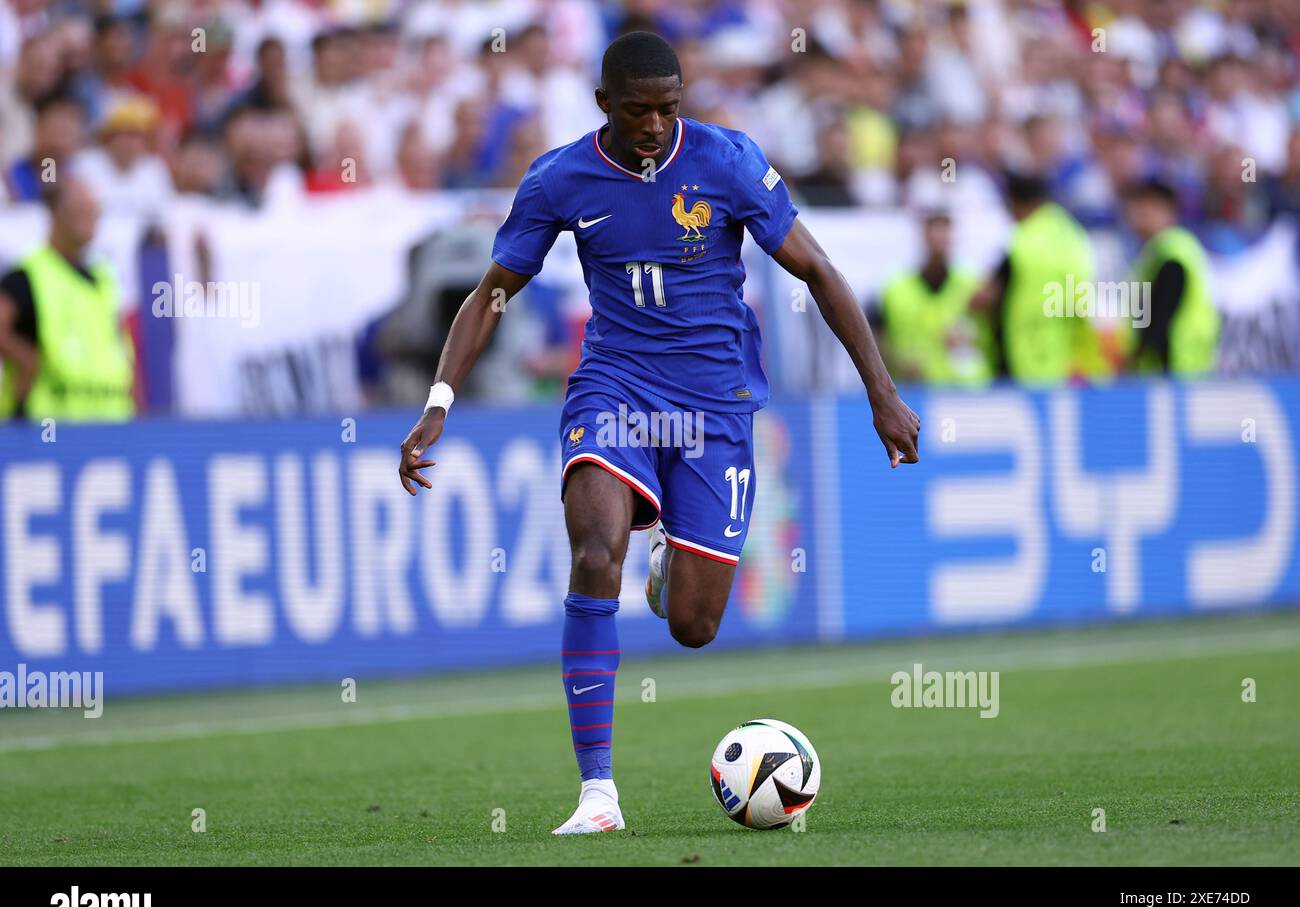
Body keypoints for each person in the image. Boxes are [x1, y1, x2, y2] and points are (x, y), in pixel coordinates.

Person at [397, 32, 918, 835]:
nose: (654, 126)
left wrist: (881, 392)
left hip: (715, 406)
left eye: (668, 109)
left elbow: (817, 271)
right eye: (637, 110)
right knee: (596, 552)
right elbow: (491, 293)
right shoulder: (561, 178)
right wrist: (439, 400)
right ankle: (598, 794)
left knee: (694, 627)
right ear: (603, 103)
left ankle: (673, 553)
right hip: (616, 389)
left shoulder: (728, 161)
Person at [0, 178, 134, 420]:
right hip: (47, 427)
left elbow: (121, 348)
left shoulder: (105, 278)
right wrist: (27, 361)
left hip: (110, 423)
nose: (90, 220)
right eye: (80, 210)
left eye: (94, 211)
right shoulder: (28, 275)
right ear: (55, 213)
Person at [972, 172, 1104, 385]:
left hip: (1023, 356)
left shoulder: (1021, 242)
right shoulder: (1074, 236)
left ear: (1015, 203)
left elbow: (984, 299)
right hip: (1066, 357)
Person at [871, 208, 988, 386]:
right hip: (912, 390)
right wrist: (894, 363)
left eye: (944, 232)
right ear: (923, 236)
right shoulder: (895, 288)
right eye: (934, 231)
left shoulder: (973, 285)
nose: (939, 239)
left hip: (967, 391)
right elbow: (878, 335)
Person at [1118, 178, 1220, 376]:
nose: (1137, 217)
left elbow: (1159, 316)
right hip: (1184, 367)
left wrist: (1135, 356)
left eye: (1145, 210)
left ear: (1167, 211)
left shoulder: (1171, 253)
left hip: (1175, 367)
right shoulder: (1162, 251)